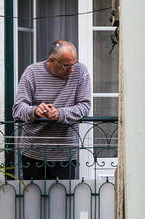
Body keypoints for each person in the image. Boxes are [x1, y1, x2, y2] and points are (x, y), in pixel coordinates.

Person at [11, 39, 91, 180]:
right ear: (52, 60)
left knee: (63, 200)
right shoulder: (32, 72)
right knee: (32, 199)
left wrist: (60, 113)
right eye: (67, 66)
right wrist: (35, 111)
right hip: (32, 152)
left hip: (65, 153)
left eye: (74, 64)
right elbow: (18, 108)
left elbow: (84, 107)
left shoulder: (80, 71)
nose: (72, 69)